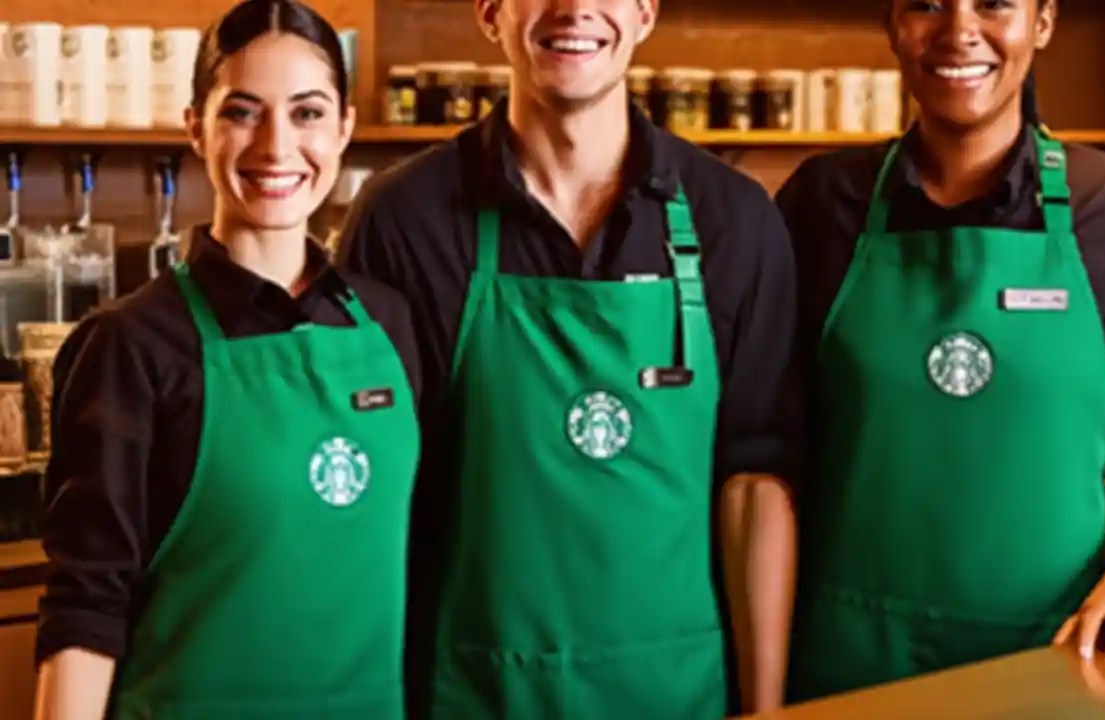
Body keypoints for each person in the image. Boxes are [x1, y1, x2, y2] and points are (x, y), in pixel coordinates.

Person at [775, 0, 1105, 703]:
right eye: (926, 5)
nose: (958, 30)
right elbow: (764, 450)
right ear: (892, 25)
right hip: (848, 665)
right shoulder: (820, 203)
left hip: (1058, 657)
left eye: (994, 4)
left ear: (1044, 21)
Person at [338, 0, 799, 716]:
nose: (575, 8)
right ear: (490, 11)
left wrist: (767, 709)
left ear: (646, 10)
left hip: (678, 693)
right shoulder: (404, 220)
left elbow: (753, 484)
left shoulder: (733, 219)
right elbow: (378, 502)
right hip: (475, 689)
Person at [32, 1, 422, 718]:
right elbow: (86, 604)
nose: (276, 147)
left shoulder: (391, 322)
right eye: (242, 112)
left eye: (307, 113)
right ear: (195, 128)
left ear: (343, 129)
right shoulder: (131, 345)